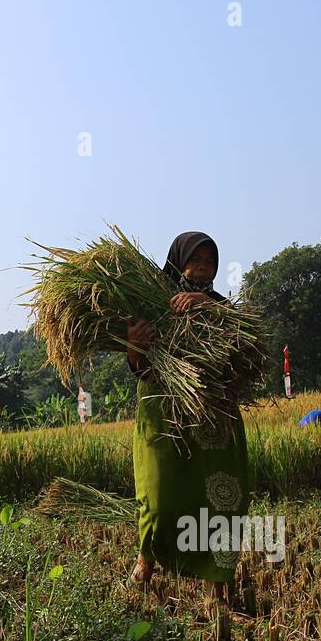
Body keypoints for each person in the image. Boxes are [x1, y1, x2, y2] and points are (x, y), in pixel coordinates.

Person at [125, 231, 250, 607]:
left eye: (210, 263)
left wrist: (208, 307)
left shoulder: (221, 308)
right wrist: (136, 345)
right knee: (159, 498)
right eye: (195, 261)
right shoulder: (152, 306)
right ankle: (146, 560)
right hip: (163, 415)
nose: (202, 269)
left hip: (214, 419)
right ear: (178, 262)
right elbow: (137, 367)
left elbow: (244, 355)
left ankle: (218, 588)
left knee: (220, 501)